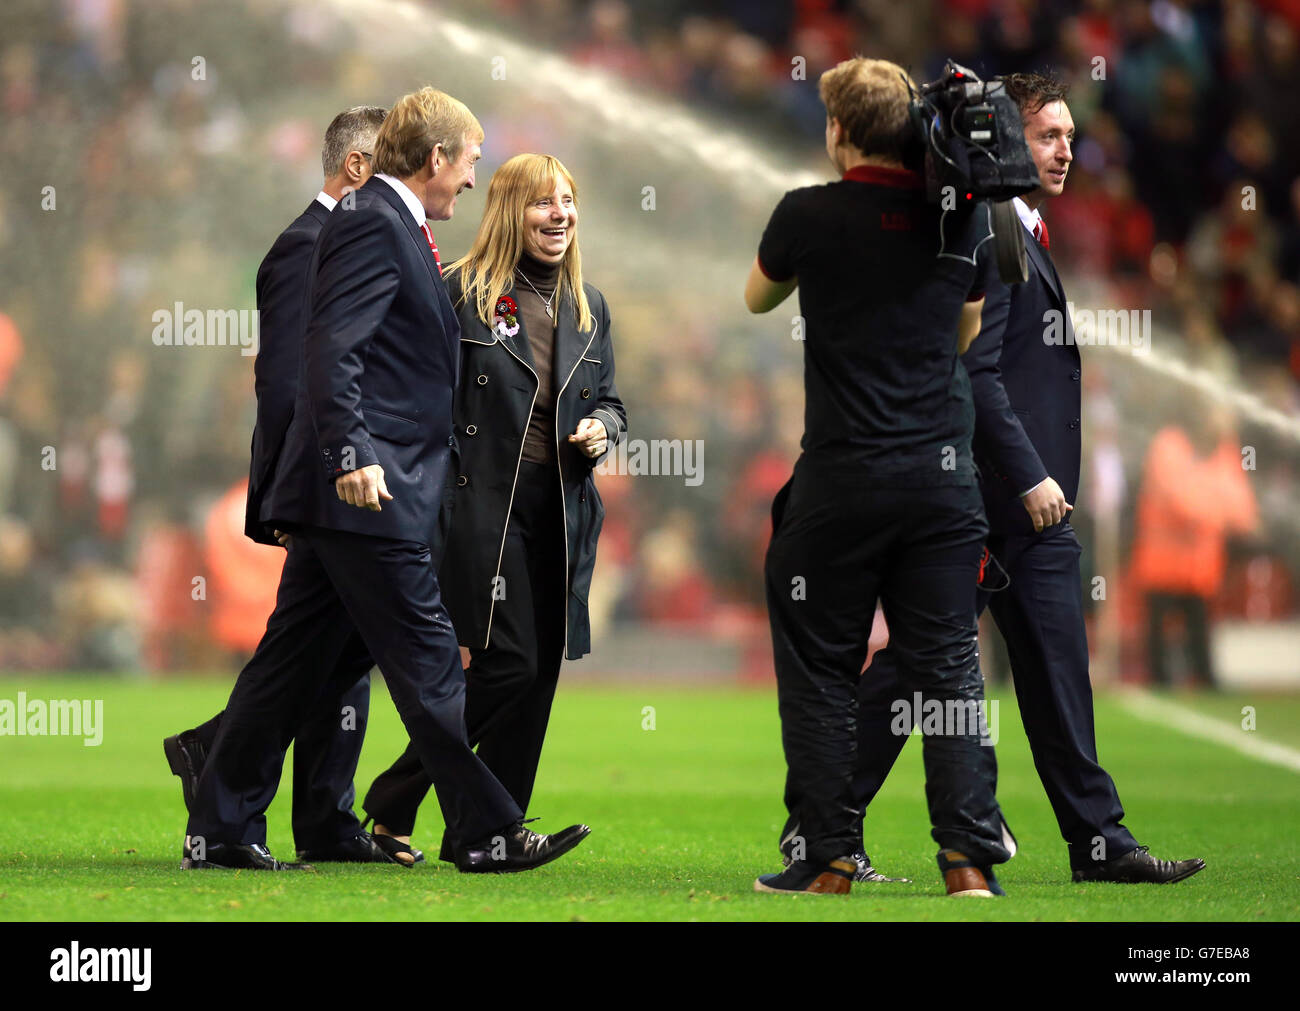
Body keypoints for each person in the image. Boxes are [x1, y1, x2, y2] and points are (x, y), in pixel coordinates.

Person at [183, 87, 588, 874]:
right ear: (436, 157)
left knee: (297, 665)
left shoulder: (387, 223)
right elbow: (331, 352)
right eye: (469, 161)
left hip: (367, 488)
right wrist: (350, 454)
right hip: (368, 488)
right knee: (430, 658)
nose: (472, 178)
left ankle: (222, 823)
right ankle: (486, 830)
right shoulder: (371, 221)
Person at [847, 72, 1206, 884]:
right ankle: (825, 824)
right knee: (914, 670)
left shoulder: (1019, 226)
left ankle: (1100, 840)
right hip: (993, 502)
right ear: (1008, 137)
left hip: (1031, 516)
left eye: (1070, 136)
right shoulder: (992, 227)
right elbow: (977, 371)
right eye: (1048, 135)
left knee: (1054, 673)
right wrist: (1032, 475)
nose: (1066, 150)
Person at [745, 57, 1012, 896]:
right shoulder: (960, 214)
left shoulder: (806, 214)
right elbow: (965, 334)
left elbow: (757, 297)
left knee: (823, 670)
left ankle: (826, 857)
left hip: (842, 478)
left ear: (838, 130)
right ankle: (967, 861)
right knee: (951, 668)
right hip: (941, 480)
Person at [359, 153, 626, 865]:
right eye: (543, 202)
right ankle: (402, 796)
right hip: (481, 505)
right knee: (508, 663)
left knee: (538, 674)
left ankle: (487, 834)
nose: (560, 215)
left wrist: (604, 427)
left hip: (561, 510)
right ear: (510, 211)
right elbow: (413, 391)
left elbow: (612, 399)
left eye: (567, 201)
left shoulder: (589, 305)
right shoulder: (459, 291)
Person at [163, 106, 398, 866]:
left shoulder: (349, 241)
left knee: (337, 643)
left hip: (346, 478)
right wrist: (306, 482)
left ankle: (316, 814)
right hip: (326, 481)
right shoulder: (308, 245)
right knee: (312, 646)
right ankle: (232, 806)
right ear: (357, 168)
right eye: (393, 164)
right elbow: (291, 383)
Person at [1132, 401, 1258, 688]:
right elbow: (1177, 497)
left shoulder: (1225, 451)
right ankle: (1159, 678)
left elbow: (1239, 501)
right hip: (1163, 559)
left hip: (1200, 564)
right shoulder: (1168, 444)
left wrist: (1239, 519)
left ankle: (1204, 675)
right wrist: (1218, 515)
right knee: (1159, 624)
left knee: (1200, 623)